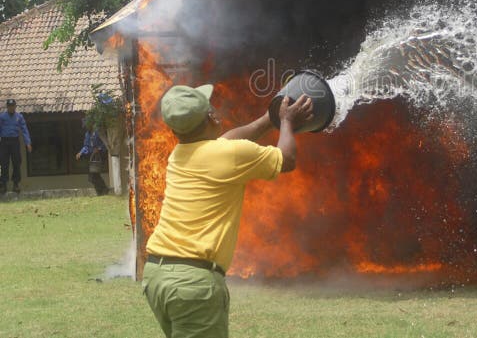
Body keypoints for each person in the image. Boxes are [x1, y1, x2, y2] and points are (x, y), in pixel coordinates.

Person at [142, 84, 313, 338]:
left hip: (157, 274)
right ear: (212, 116)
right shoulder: (228, 155)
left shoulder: (179, 154)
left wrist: (270, 118)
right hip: (193, 284)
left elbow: (226, 142)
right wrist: (287, 122)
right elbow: (286, 159)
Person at [0, 99, 32, 194]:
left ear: (15, 106)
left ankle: (16, 184)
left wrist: (28, 143)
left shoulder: (19, 117)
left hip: (15, 141)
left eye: (13, 106)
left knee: (17, 162)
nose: (11, 108)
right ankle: (3, 184)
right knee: (4, 163)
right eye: (9, 106)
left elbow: (24, 129)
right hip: (4, 141)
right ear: (7, 107)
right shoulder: (2, 117)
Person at [75, 125, 110, 196]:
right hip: (91, 156)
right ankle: (102, 191)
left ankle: (103, 190)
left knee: (93, 175)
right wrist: (80, 152)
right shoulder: (87, 134)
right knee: (93, 176)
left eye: (87, 126)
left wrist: (99, 149)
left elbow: (105, 143)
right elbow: (86, 146)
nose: (86, 128)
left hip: (99, 155)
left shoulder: (98, 132)